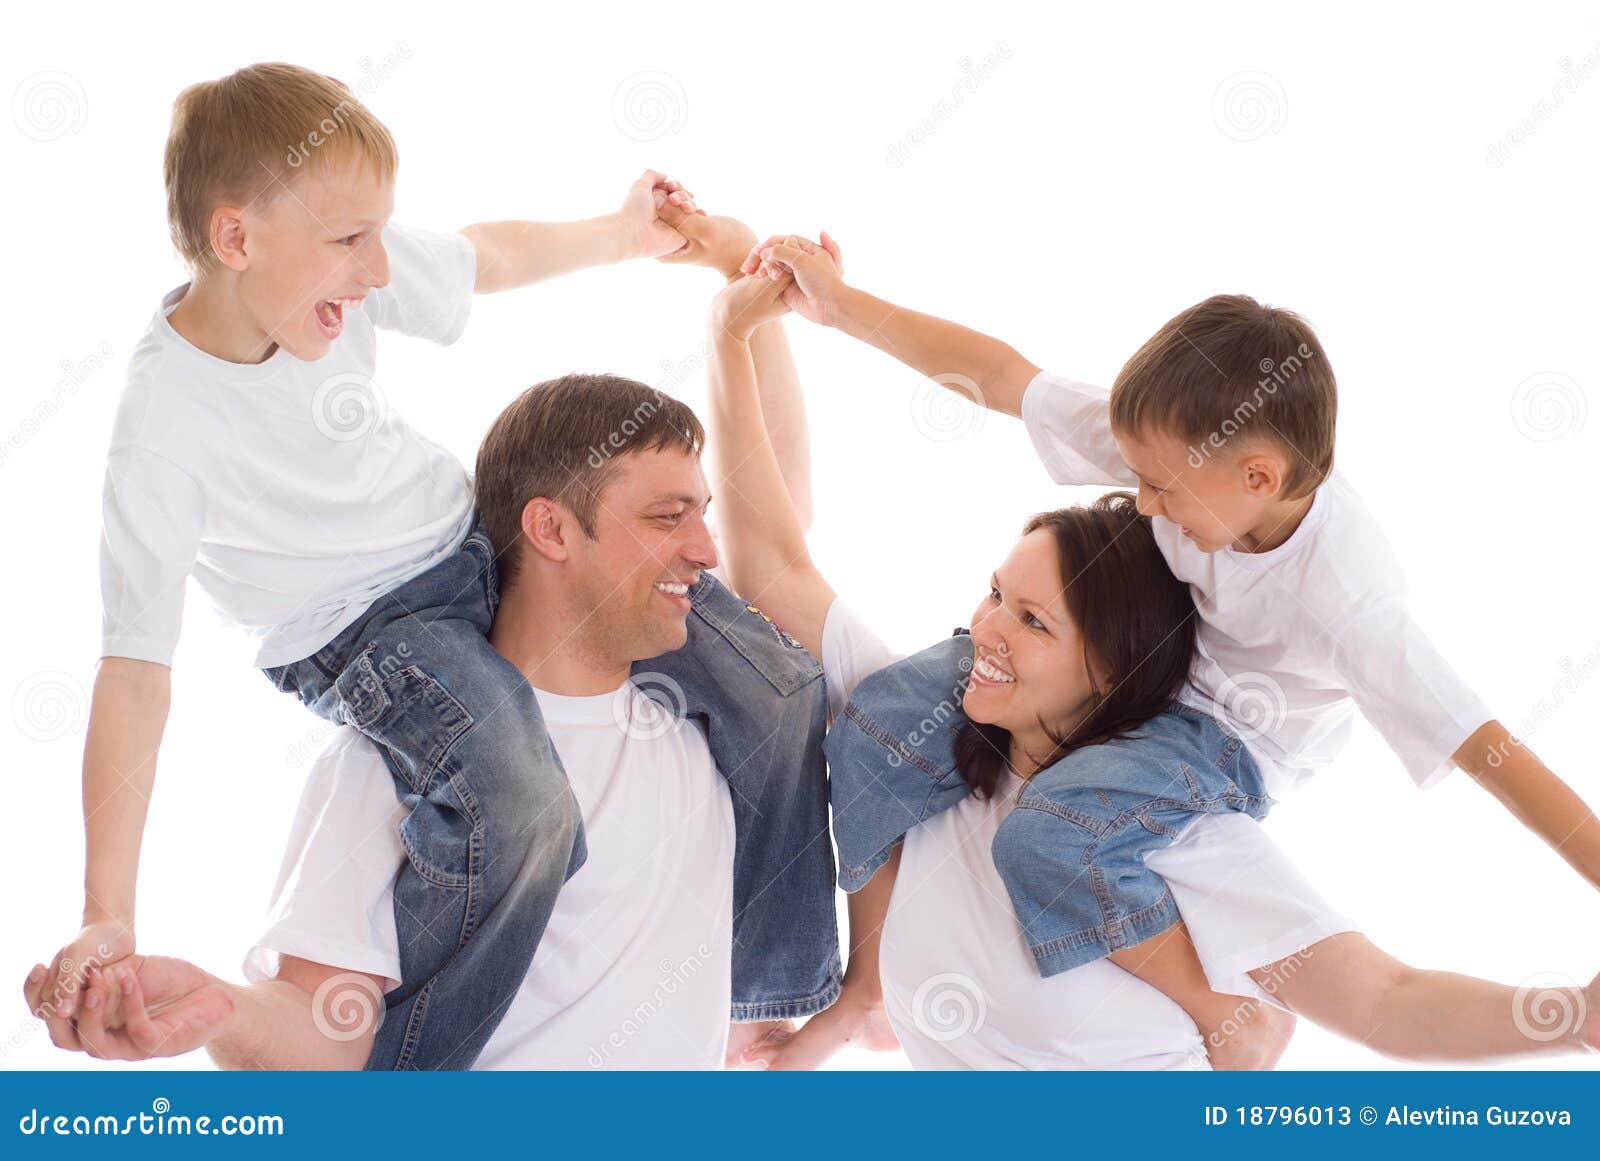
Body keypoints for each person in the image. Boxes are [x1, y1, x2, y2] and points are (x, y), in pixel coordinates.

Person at [35, 63, 837, 1071]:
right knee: (526, 808)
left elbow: (481, 258)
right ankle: (418, 1086)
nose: (376, 274)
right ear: (236, 238)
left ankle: (763, 1002)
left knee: (780, 684)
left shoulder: (317, 272)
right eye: (350, 244)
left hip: (467, 545)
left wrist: (621, 234)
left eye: (378, 236)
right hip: (373, 636)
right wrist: (107, 909)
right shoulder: (163, 430)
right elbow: (135, 671)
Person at [702, 237, 1600, 1069]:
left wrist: (1573, 1011)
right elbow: (999, 374)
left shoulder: (1350, 607)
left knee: (1048, 833)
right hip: (1138, 689)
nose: (1140, 501)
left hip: (1221, 742)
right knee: (878, 721)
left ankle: (1224, 1011)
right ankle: (867, 989)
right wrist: (833, 303)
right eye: (998, 600)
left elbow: (1485, 775)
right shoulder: (1178, 455)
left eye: (1159, 487)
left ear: (1261, 478)